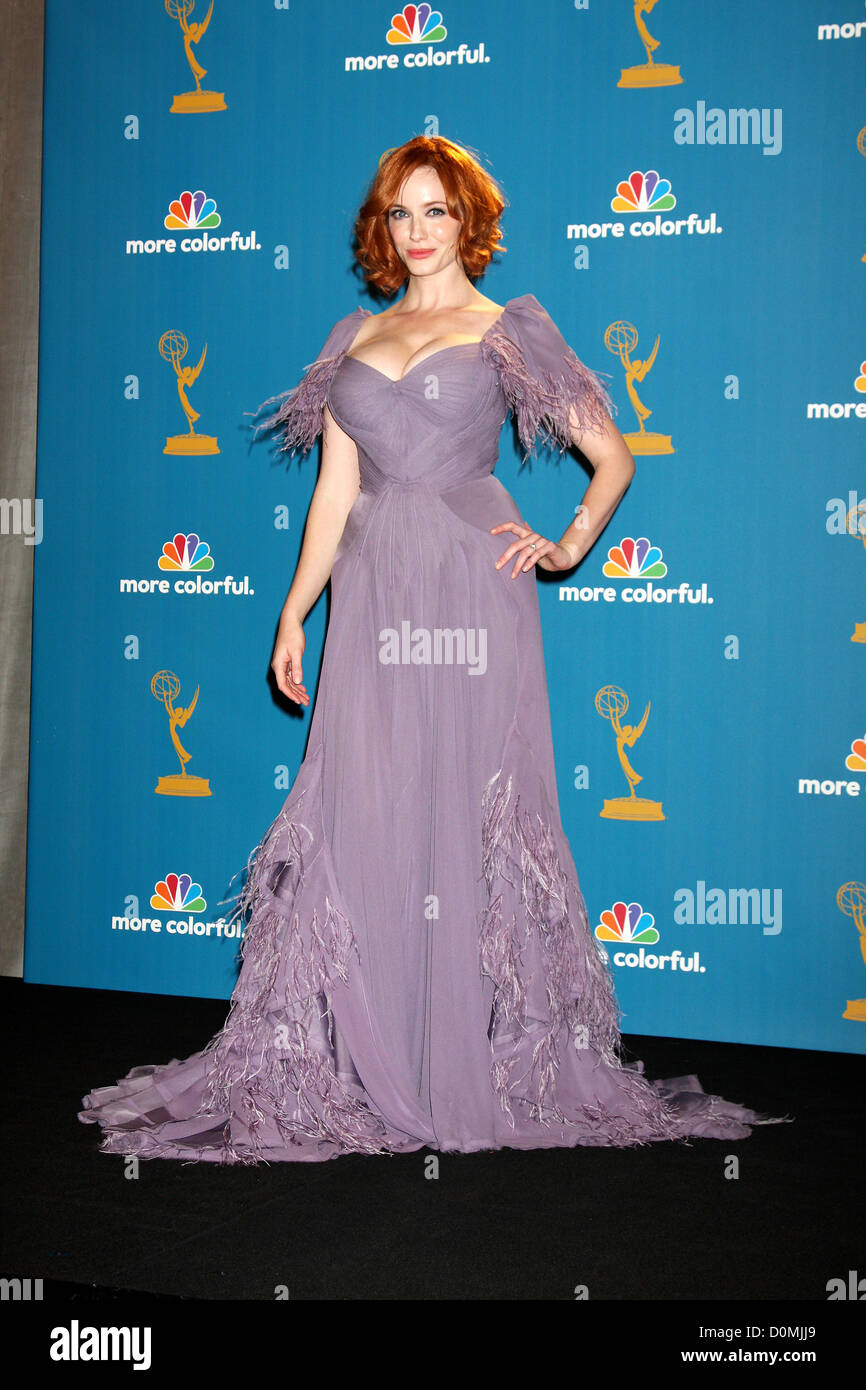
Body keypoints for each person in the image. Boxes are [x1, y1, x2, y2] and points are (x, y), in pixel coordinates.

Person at [78, 136, 788, 1162]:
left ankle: (467, 1059)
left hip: (470, 586)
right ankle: (370, 1059)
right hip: (369, 595)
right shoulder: (351, 335)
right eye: (399, 215)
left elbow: (612, 455)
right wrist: (291, 612)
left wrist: (566, 545)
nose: (416, 234)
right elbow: (334, 488)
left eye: (435, 213)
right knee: (363, 803)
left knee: (465, 811)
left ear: (468, 221)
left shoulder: (509, 328)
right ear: (382, 227)